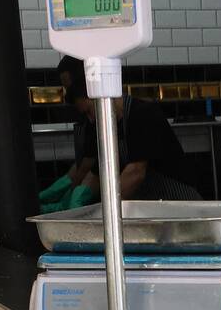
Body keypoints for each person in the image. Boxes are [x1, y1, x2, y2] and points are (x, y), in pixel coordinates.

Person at [38, 56, 200, 211]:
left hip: (179, 205)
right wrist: (75, 200)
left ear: (98, 95)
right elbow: (95, 174)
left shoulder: (142, 113)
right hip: (150, 209)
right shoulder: (104, 127)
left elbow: (136, 172)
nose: (90, 119)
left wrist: (105, 212)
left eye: (88, 111)